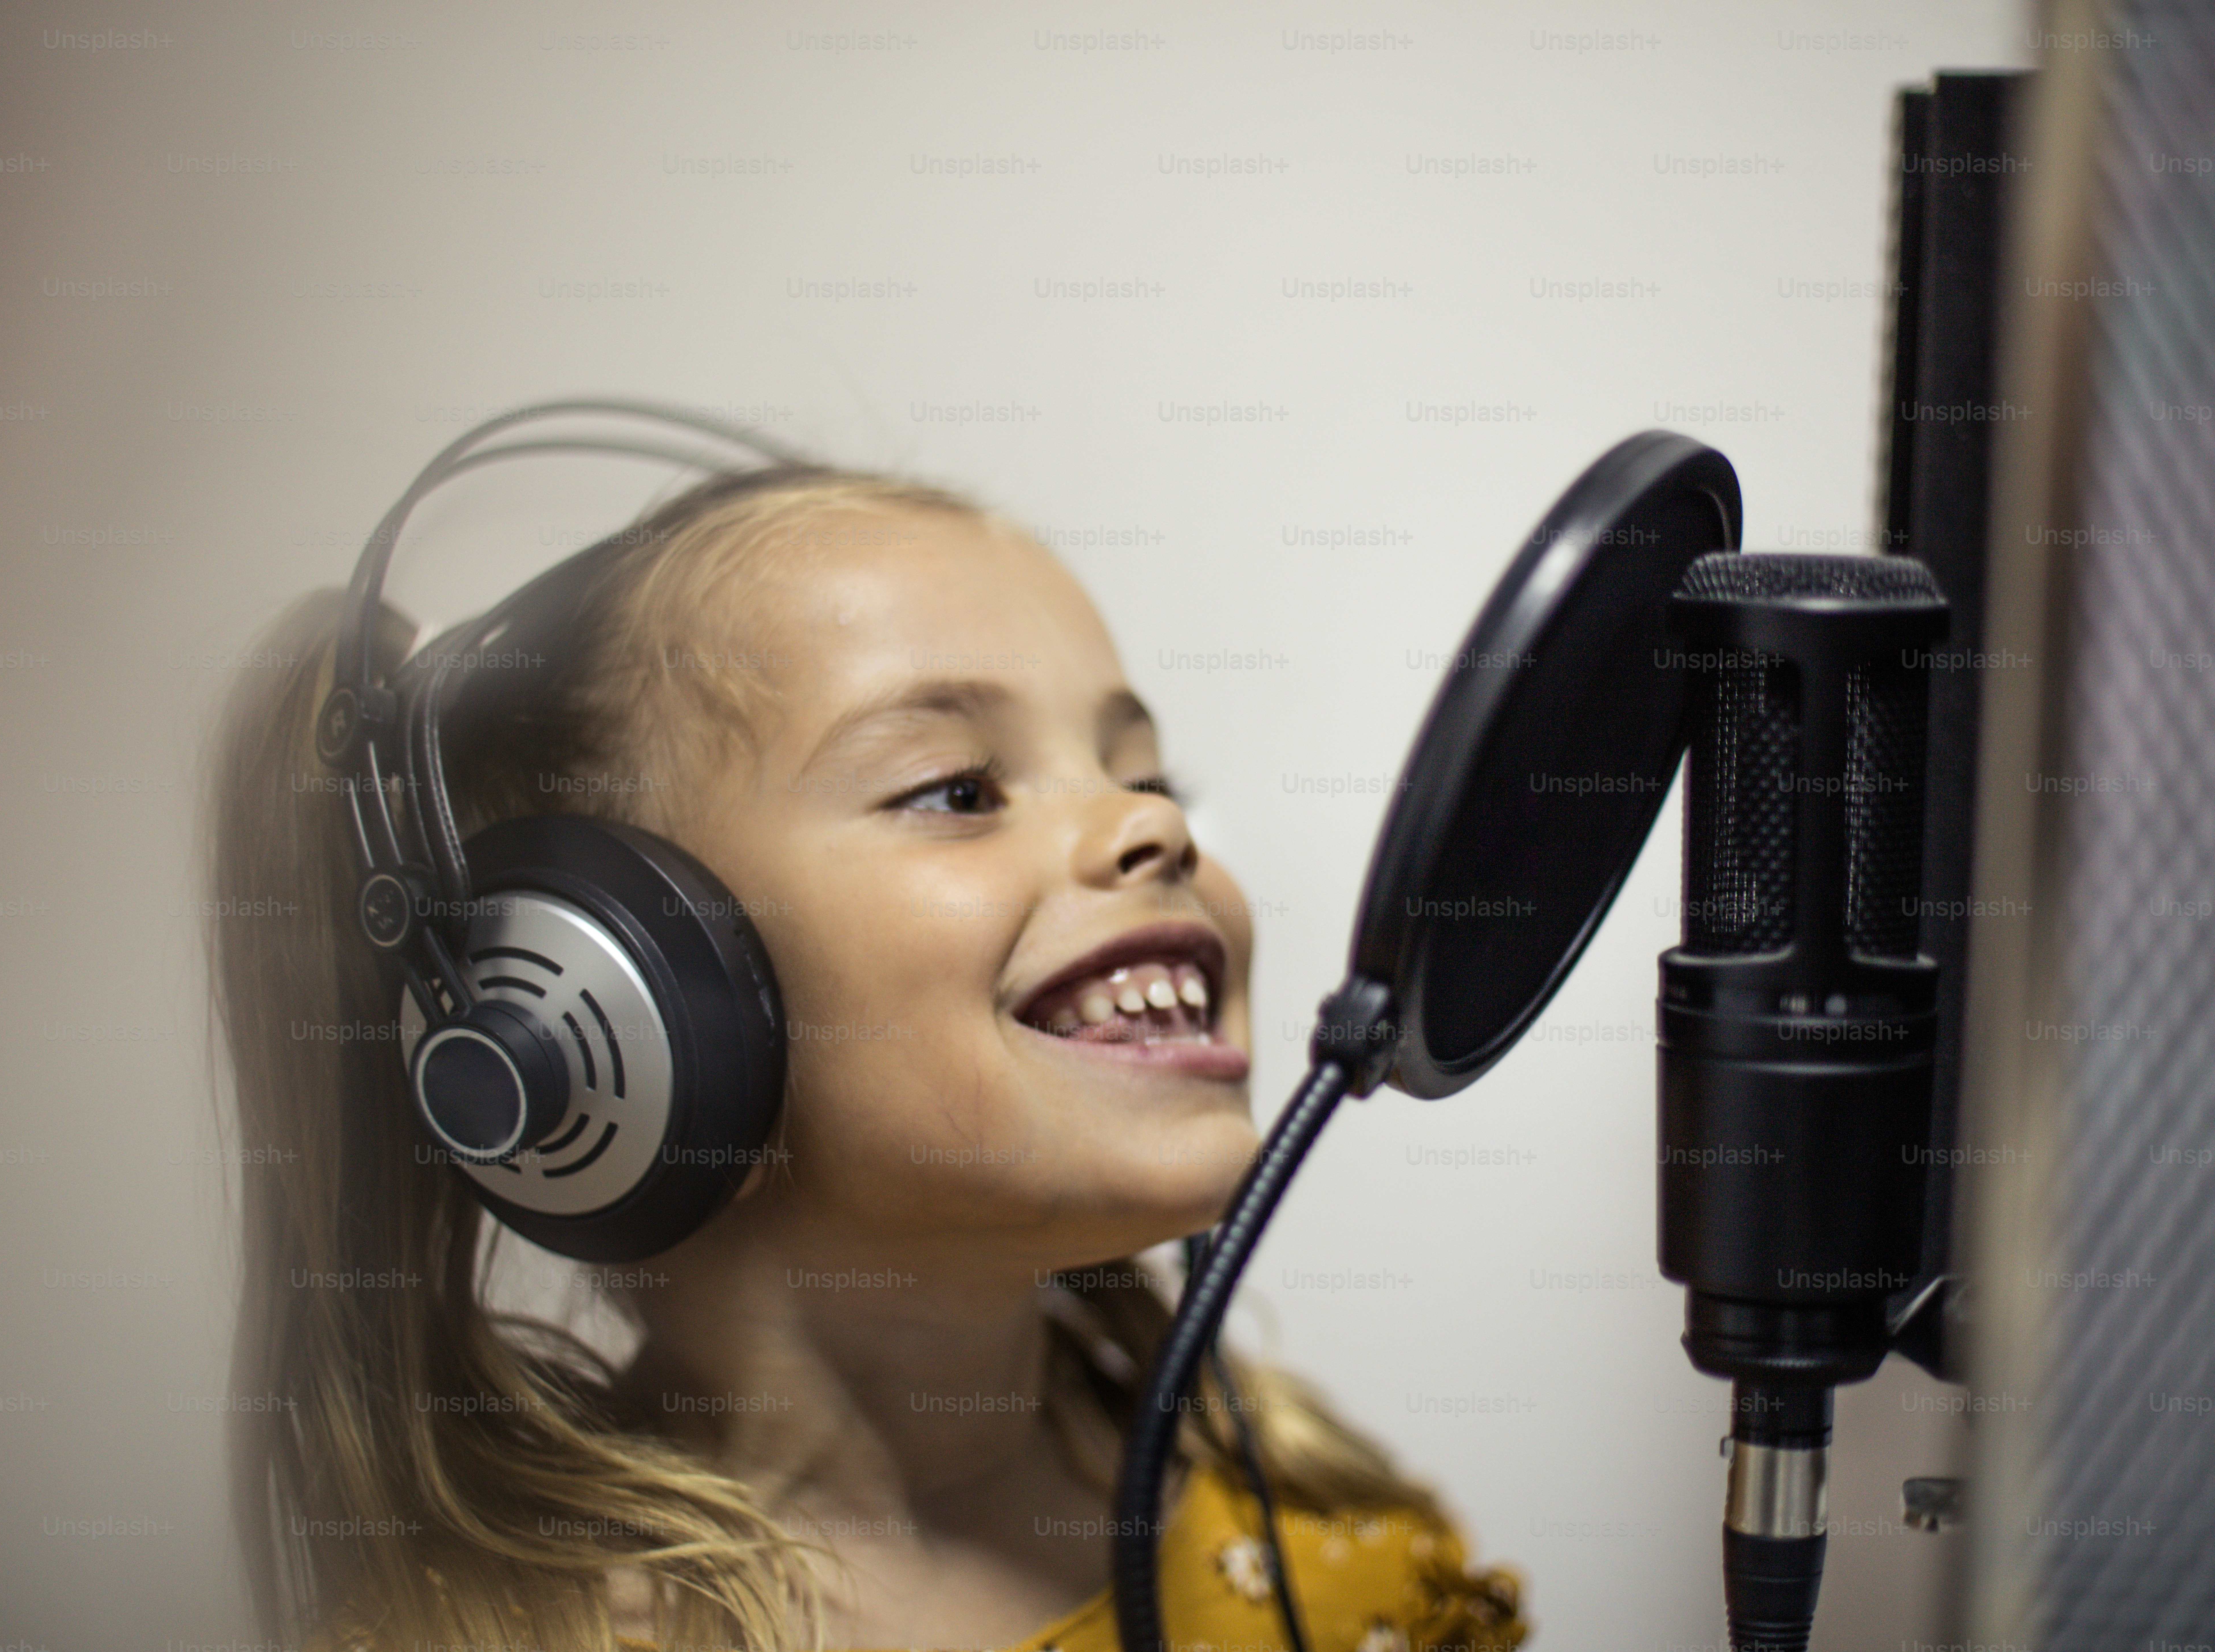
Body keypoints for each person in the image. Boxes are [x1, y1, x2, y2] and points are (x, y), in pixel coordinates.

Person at [201, 456, 1530, 1651]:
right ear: (623, 1001)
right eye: (958, 790)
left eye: (1151, 778)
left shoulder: (1340, 1552)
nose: (1148, 827)